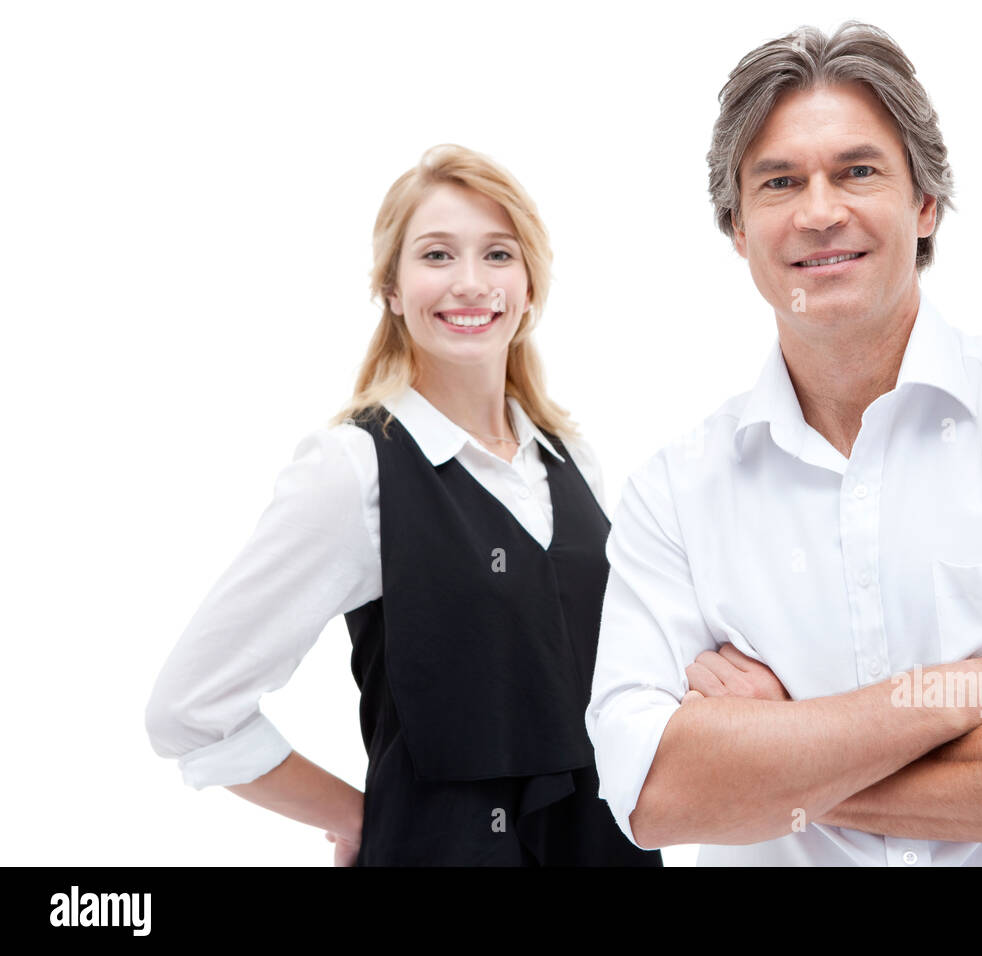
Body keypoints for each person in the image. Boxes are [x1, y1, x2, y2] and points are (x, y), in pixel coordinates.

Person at [585, 22, 982, 866]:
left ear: (925, 204)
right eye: (780, 182)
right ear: (738, 229)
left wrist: (779, 765)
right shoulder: (671, 494)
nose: (821, 212)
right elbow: (655, 796)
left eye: (858, 171)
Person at [146, 144, 661, 867]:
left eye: (498, 255)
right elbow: (189, 711)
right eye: (437, 256)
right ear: (390, 288)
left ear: (531, 285)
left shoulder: (570, 458)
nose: (471, 284)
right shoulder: (353, 469)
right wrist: (363, 818)